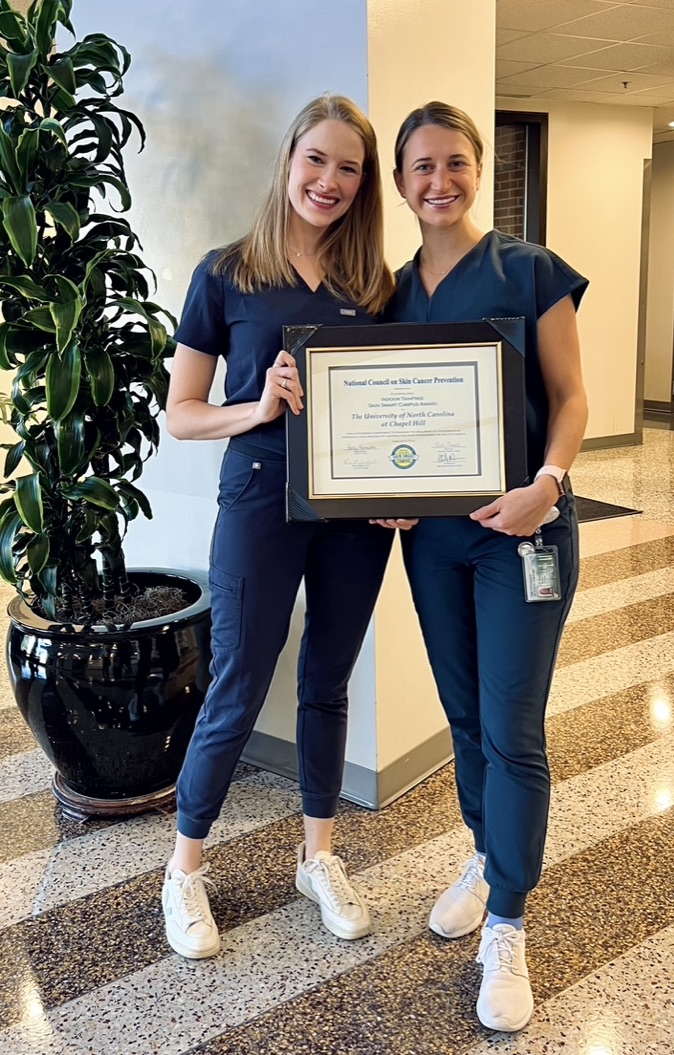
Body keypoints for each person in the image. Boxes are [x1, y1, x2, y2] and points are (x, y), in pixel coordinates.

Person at [161, 94, 400, 959]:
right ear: (289, 158)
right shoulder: (226, 272)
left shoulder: (377, 286)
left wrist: (404, 484)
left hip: (354, 517)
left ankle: (317, 857)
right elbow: (181, 413)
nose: (329, 181)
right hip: (260, 500)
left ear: (363, 184)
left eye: (349, 169)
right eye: (317, 159)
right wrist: (255, 407)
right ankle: (183, 870)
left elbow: (399, 401)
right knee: (237, 682)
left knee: (327, 682)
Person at [386, 102, 589, 1032]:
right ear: (399, 183)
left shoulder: (529, 269)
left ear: (479, 170)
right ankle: (485, 852)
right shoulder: (391, 295)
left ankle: (507, 919)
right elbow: (384, 416)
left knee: (511, 728)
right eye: (421, 166)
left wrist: (546, 485)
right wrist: (377, 490)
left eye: (455, 162)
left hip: (524, 533)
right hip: (432, 539)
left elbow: (570, 397)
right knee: (464, 715)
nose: (440, 181)